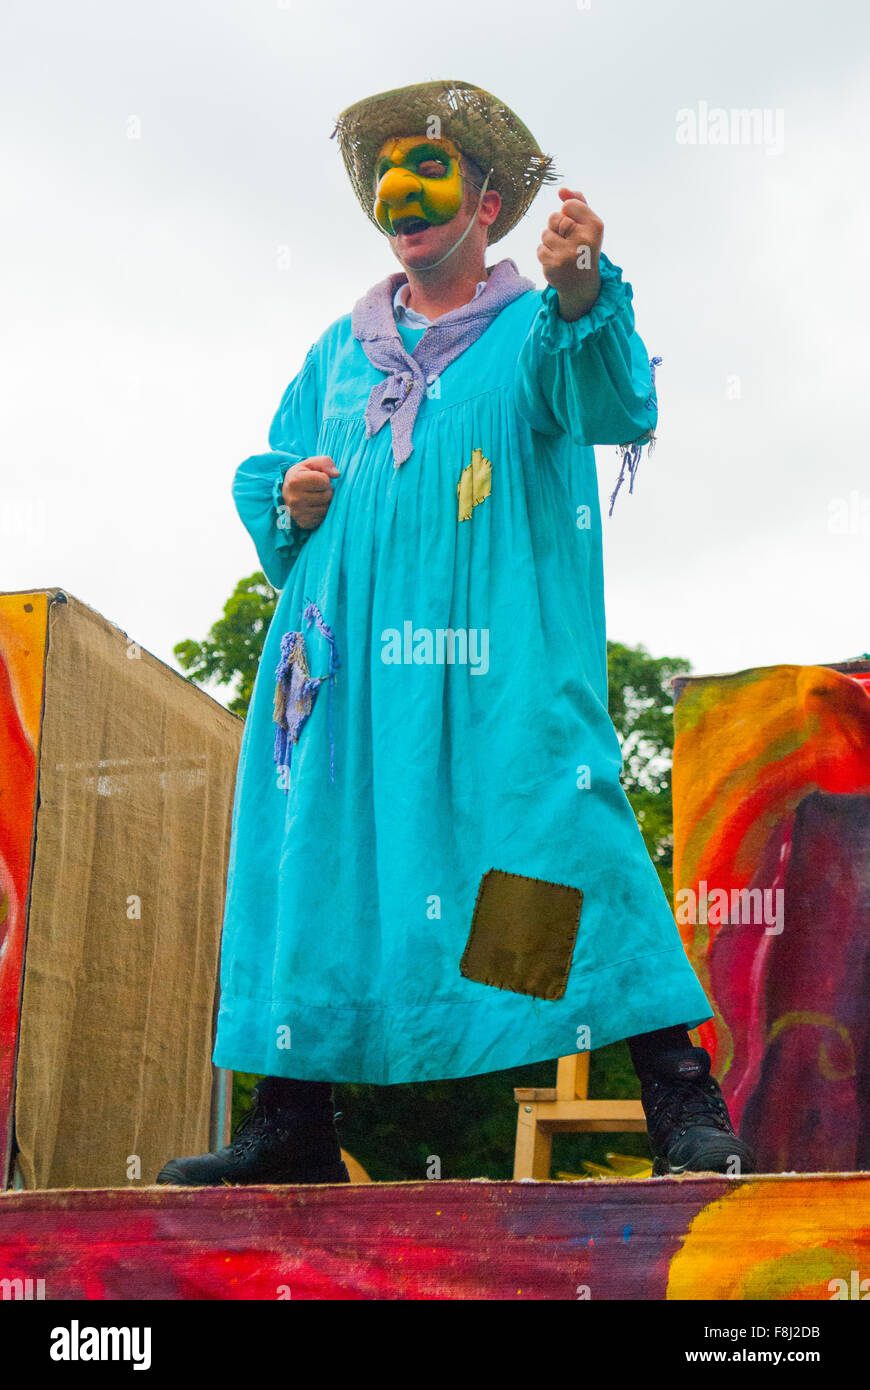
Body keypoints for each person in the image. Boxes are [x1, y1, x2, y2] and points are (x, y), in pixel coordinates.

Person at [158, 79, 753, 1187]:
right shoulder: (339, 352)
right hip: (336, 680)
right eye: (387, 173)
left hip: (495, 670)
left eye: (426, 168)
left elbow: (616, 406)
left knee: (554, 834)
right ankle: (290, 1126)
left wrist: (581, 286)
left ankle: (679, 1102)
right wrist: (286, 494)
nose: (399, 188)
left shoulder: (534, 328)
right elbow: (273, 485)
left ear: (486, 203)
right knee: (316, 862)